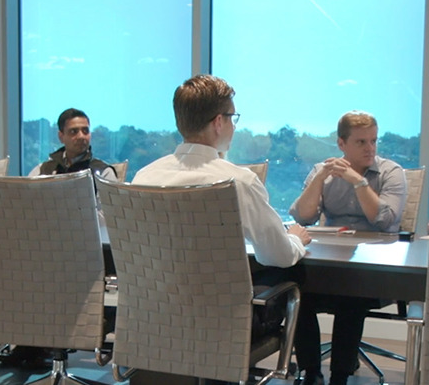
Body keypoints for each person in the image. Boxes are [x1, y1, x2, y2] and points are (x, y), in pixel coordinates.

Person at [287, 111, 407, 385]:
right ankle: (311, 376)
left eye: (374, 141)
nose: (370, 148)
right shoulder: (323, 170)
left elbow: (385, 220)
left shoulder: (391, 173)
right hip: (333, 263)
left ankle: (339, 382)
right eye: (361, 142)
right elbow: (302, 216)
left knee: (352, 295)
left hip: (376, 270)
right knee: (298, 293)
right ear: (342, 144)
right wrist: (319, 179)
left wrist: (357, 181)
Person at [132, 75, 309, 269]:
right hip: (215, 289)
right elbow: (279, 256)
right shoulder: (238, 182)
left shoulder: (143, 178)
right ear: (218, 122)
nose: (233, 126)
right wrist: (295, 238)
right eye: (232, 118)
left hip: (153, 288)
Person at [28, 108, 117, 181]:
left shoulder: (103, 172)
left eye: (85, 131)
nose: (81, 136)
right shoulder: (44, 170)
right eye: (74, 131)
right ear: (61, 136)